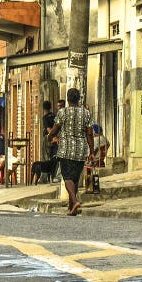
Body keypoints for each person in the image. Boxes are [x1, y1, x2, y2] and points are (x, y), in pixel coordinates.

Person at [47, 87, 94, 216]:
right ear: (79, 99)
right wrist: (91, 151)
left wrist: (50, 137)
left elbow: (55, 129)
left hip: (66, 149)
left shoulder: (62, 112)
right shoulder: (86, 113)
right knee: (74, 179)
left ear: (67, 99)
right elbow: (89, 134)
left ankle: (75, 201)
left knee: (67, 177)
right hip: (81, 149)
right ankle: (71, 208)